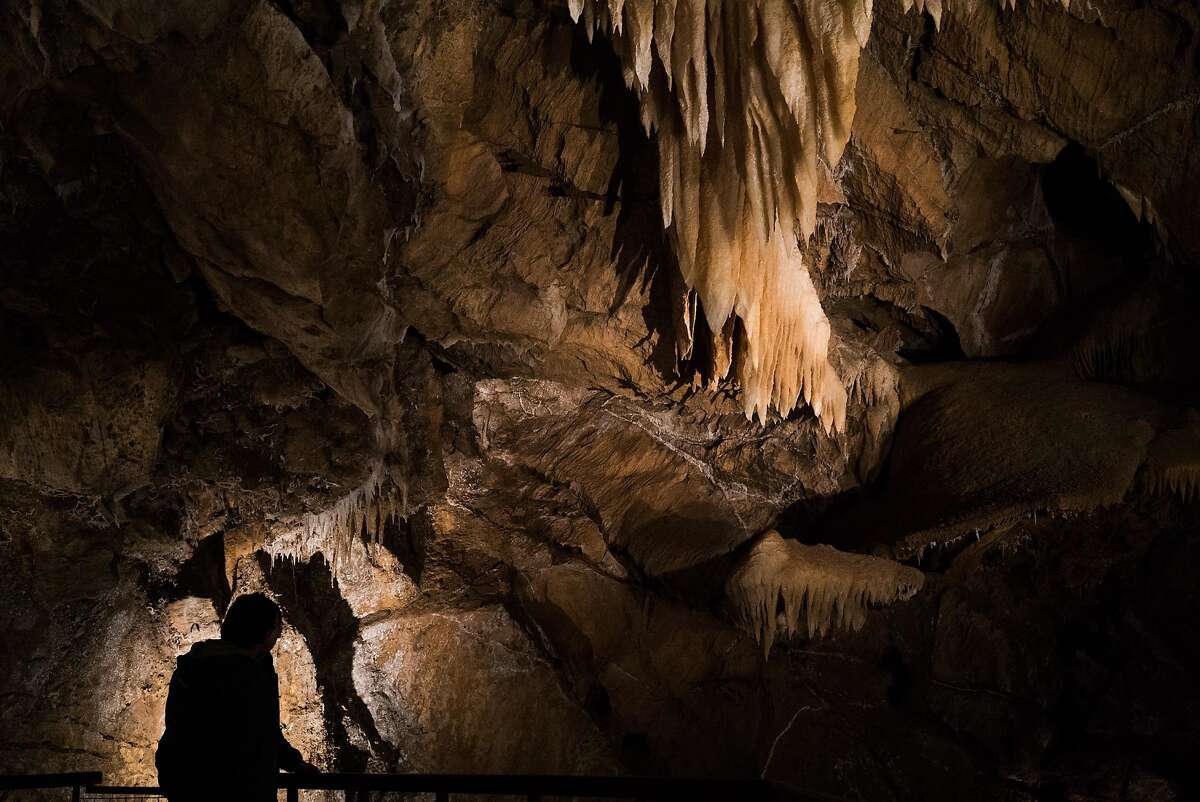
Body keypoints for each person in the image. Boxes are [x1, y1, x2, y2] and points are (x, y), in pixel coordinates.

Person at [156, 593, 318, 801]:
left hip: (187, 787)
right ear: (266, 633)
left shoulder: (192, 667)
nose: (278, 635)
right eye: (277, 628)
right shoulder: (245, 675)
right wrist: (295, 763)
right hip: (237, 789)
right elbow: (261, 734)